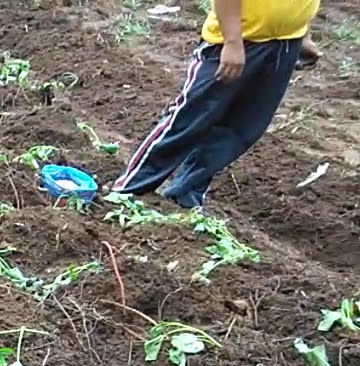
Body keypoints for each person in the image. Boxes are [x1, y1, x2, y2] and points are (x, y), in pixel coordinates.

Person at [109, 0, 322, 209]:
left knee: (241, 127)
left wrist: (303, 33)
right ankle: (130, 189)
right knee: (191, 117)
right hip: (237, 41)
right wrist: (232, 42)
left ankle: (186, 195)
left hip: (285, 45)